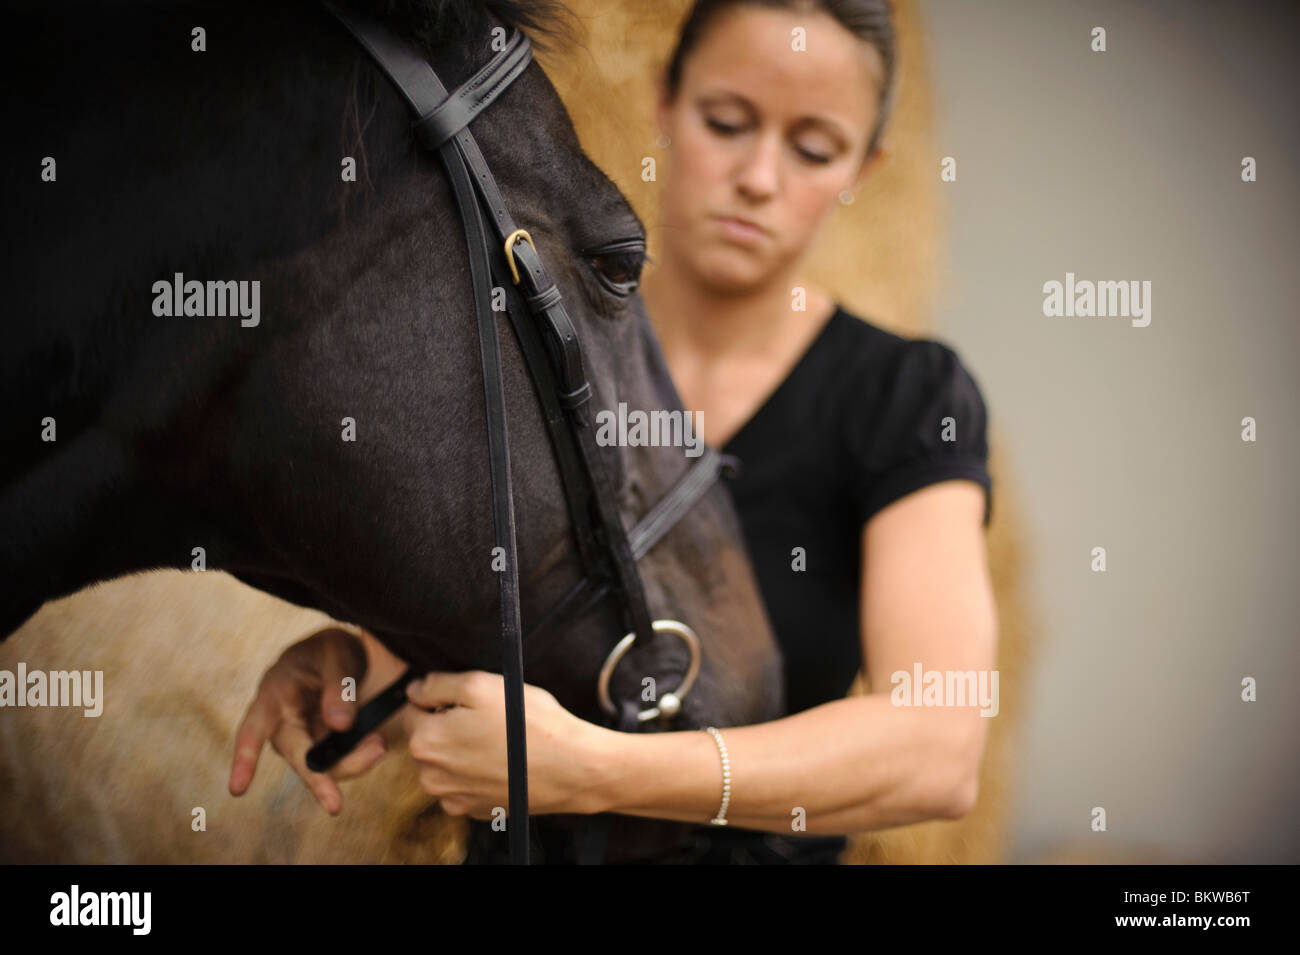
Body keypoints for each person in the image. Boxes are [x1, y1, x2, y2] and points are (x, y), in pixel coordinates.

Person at [228, 0, 998, 864]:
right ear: (663, 102)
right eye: (726, 122)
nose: (758, 176)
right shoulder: (526, 344)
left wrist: (601, 772)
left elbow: (938, 749)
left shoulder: (903, 395)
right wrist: (359, 672)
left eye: (814, 149)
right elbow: (501, 637)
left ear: (865, 167)